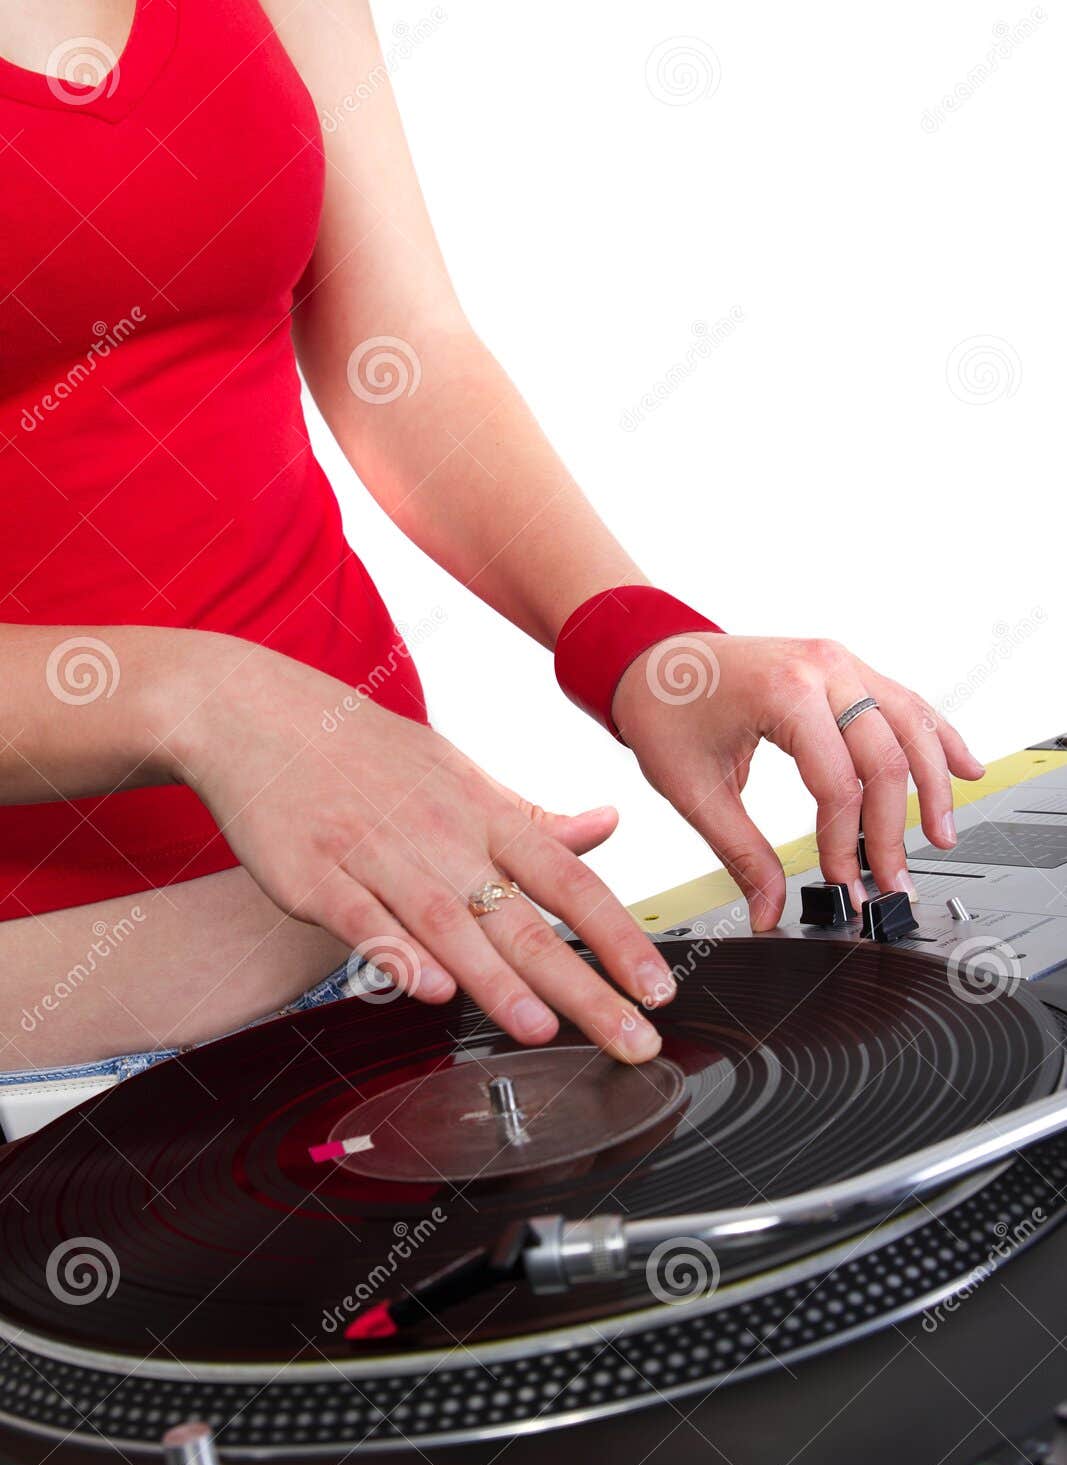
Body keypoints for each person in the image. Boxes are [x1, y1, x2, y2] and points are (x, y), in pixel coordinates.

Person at [0, 0, 982, 1108]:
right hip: (43, 1082)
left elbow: (401, 349)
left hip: (417, 966)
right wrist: (196, 701)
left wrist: (634, 639)